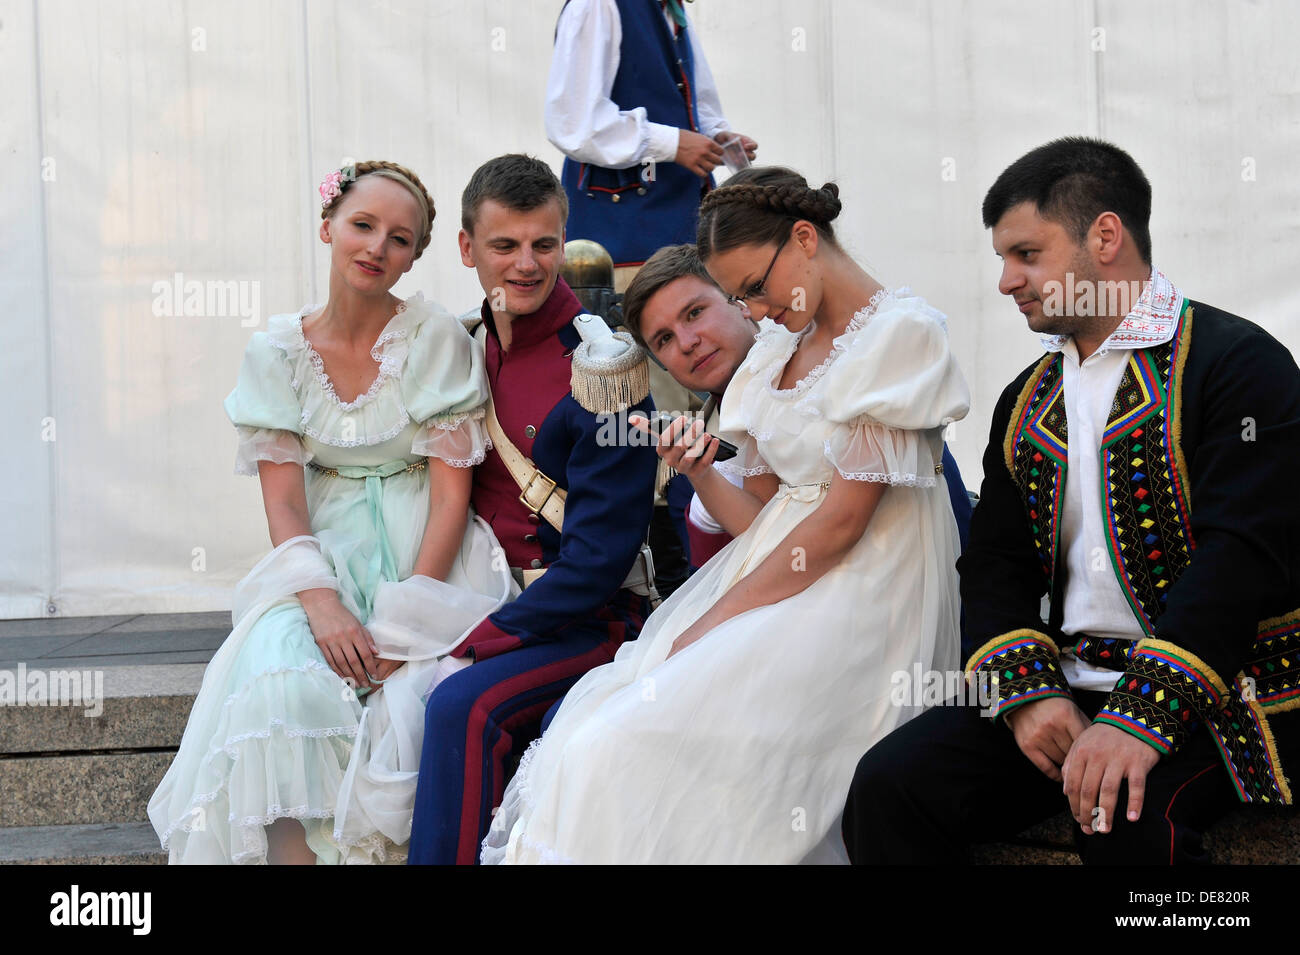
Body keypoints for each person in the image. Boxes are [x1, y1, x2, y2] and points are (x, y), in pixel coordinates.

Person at [481, 166, 971, 863]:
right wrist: (701, 469)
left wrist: (715, 621)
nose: (756, 310)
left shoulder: (899, 337)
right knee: (597, 729)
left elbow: (837, 527)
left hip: (866, 591)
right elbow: (763, 517)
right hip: (781, 573)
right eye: (741, 296)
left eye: (754, 288)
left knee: (635, 737)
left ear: (804, 240)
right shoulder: (778, 350)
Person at [843, 137, 1300, 865]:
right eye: (1003, 259)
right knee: (891, 785)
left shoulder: (1236, 363)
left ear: (1105, 237)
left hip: (1222, 697)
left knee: (1121, 816)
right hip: (1072, 686)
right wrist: (1027, 694)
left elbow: (1243, 558)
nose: (1005, 280)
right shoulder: (1026, 399)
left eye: (1026, 253)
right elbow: (994, 563)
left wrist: (1142, 716)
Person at [148, 161, 513, 864]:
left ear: (414, 255)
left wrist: (407, 615)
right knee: (280, 681)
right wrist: (320, 602)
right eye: (363, 225)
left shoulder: (434, 338)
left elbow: (449, 495)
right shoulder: (277, 351)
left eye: (401, 238)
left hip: (427, 549)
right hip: (322, 549)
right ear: (328, 228)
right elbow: (284, 498)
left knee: (400, 699)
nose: (378, 247)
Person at [406, 154, 658, 865]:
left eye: (543, 244)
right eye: (504, 245)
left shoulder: (603, 366)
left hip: (582, 614)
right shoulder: (457, 346)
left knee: (463, 704)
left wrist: (477, 643)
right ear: (466, 249)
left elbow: (600, 561)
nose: (526, 263)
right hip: (474, 595)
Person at [622, 243, 975, 576]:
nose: (687, 343)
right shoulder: (686, 467)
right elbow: (712, 581)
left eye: (695, 313)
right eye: (664, 339)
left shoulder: (852, 378)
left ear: (741, 301)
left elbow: (943, 522)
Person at [546, 0, 758, 291]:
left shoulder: (669, 9)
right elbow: (573, 122)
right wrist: (673, 144)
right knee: (624, 334)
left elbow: (691, 99)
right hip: (621, 241)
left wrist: (716, 136)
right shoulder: (596, 5)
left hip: (684, 232)